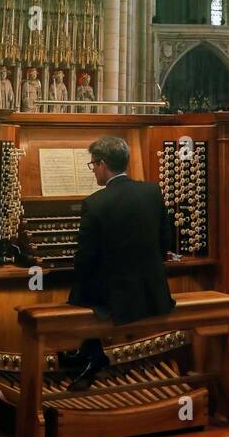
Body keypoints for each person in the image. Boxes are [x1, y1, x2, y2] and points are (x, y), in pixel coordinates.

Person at [66, 136, 174, 390]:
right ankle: (89, 351)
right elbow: (165, 242)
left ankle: (88, 352)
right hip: (152, 289)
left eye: (93, 165)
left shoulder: (95, 203)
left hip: (116, 296)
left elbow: (84, 260)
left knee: (78, 290)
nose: (93, 171)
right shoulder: (152, 191)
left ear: (103, 164)